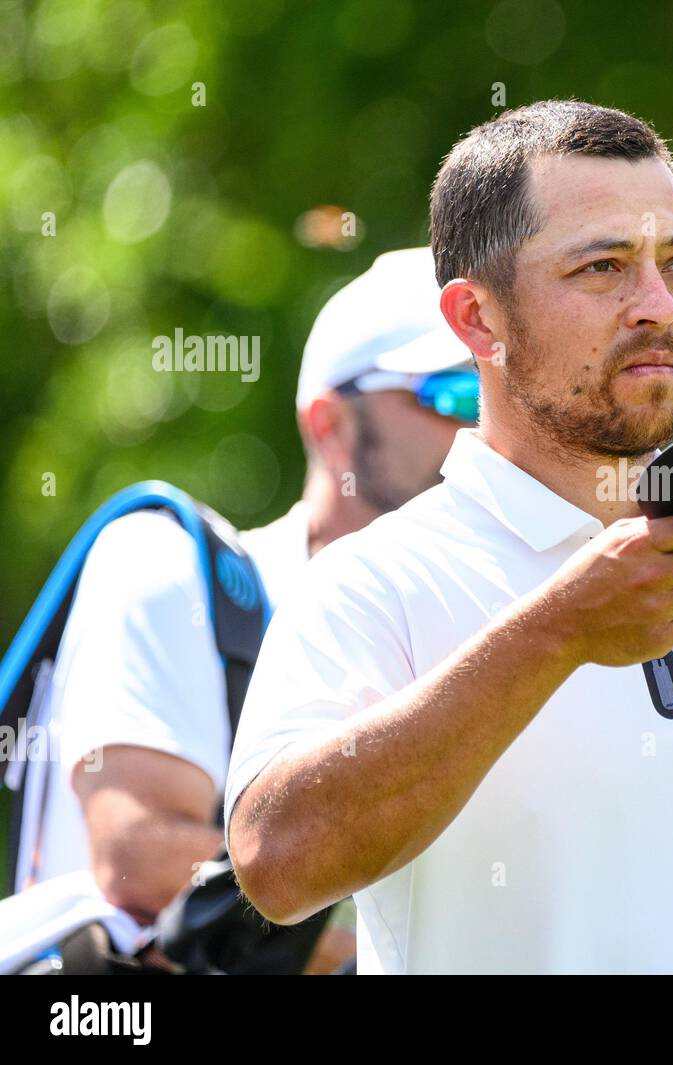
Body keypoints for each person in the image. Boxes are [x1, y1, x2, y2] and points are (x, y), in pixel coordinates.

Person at [226, 101, 673, 975]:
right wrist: (558, 631)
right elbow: (276, 862)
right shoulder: (372, 581)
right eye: (603, 266)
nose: (658, 306)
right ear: (476, 319)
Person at [8, 247, 477, 972]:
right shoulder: (168, 565)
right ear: (328, 424)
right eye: (453, 395)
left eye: (499, 392)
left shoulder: (470, 633)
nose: (482, 425)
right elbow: (141, 857)